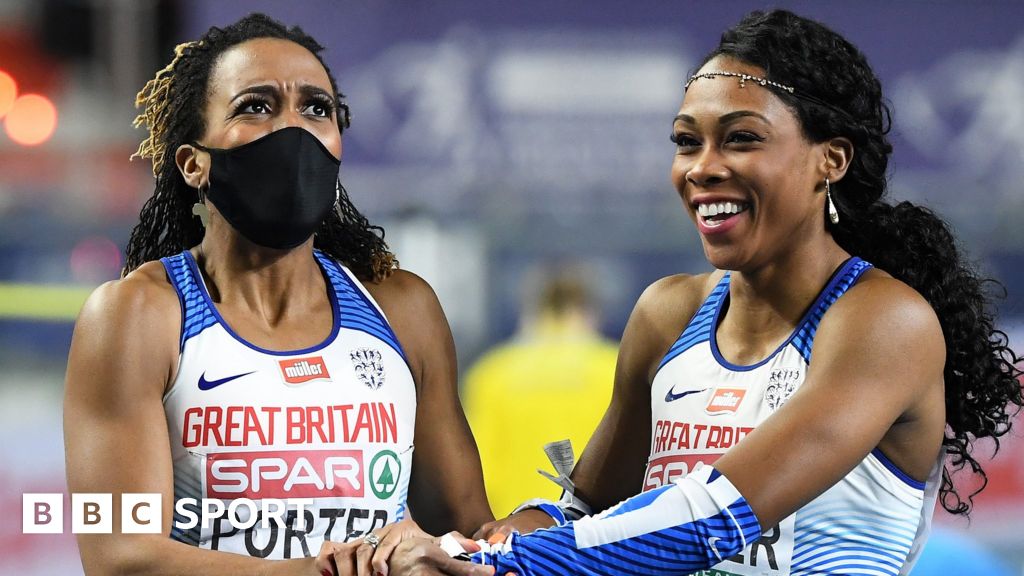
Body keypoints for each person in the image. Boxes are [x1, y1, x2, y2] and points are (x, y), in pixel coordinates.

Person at [388, 9, 1024, 576]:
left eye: (741, 138)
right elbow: (588, 508)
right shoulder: (669, 313)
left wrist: (506, 563)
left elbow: (716, 514)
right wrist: (498, 537)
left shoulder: (884, 322)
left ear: (831, 159)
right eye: (686, 141)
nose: (702, 167)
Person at [63, 14, 494, 576]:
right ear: (193, 164)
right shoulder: (135, 314)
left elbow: (466, 533)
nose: (294, 129)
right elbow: (119, 556)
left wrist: (538, 525)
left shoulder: (402, 308)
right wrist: (316, 571)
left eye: (316, 108)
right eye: (256, 106)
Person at [462, 265, 617, 518]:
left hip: (514, 527)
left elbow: (478, 469)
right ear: (592, 312)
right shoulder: (615, 368)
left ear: (529, 310)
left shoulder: (491, 374)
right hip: (593, 528)